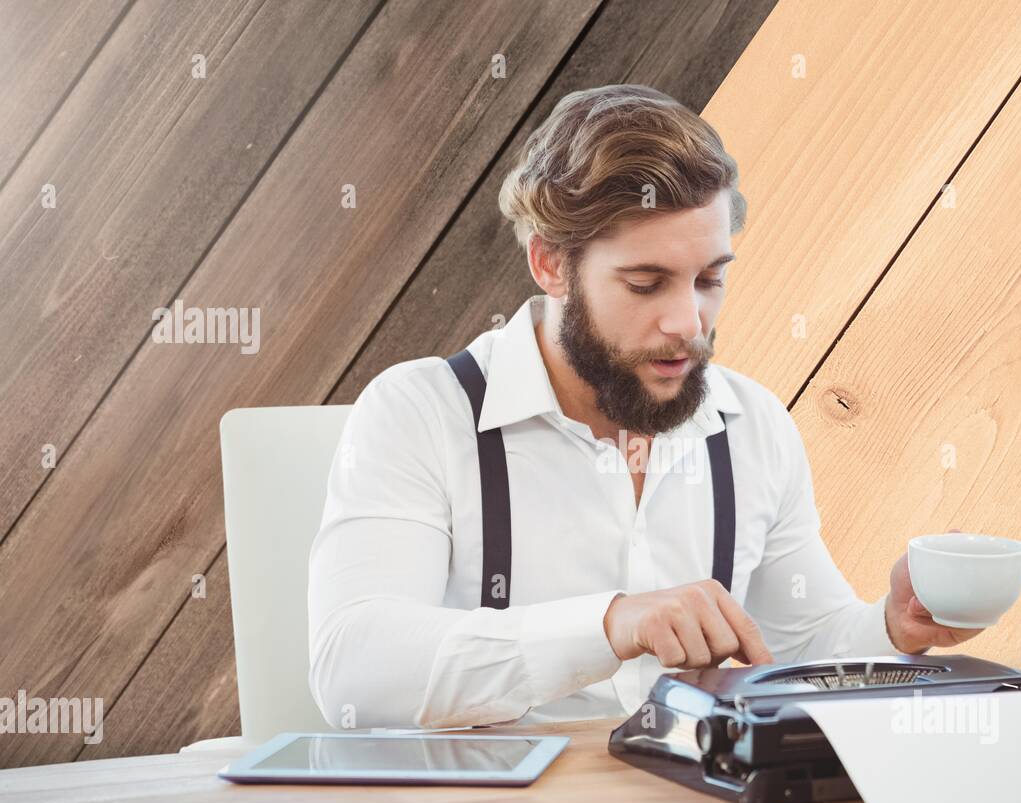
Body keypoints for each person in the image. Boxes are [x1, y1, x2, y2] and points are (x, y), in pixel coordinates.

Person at [307, 84, 983, 731]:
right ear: (550, 264)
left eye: (709, 279)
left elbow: (803, 646)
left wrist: (892, 626)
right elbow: (353, 669)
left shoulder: (754, 428)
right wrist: (608, 624)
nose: (689, 322)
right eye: (645, 283)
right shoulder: (418, 413)